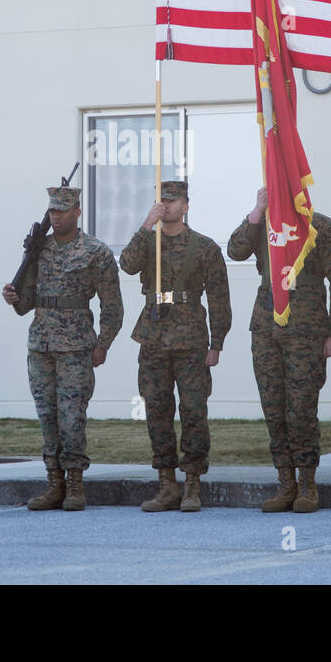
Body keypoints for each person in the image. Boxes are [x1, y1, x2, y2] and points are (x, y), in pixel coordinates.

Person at [227, 187, 331, 514]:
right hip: (266, 328)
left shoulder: (323, 228)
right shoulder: (264, 224)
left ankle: (307, 484)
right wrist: (257, 210)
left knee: (301, 409)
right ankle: (285, 482)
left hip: (306, 331)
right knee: (274, 406)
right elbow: (235, 250)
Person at [2, 186, 122, 511]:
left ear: (77, 213)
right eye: (52, 211)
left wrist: (103, 345)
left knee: (72, 418)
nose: (56, 216)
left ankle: (75, 485)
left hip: (76, 348)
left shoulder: (96, 252)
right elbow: (27, 303)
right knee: (47, 417)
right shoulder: (39, 249)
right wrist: (14, 298)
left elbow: (113, 307)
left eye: (62, 211)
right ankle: (53, 483)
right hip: (40, 345)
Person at [118, 180, 230, 512]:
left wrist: (217, 343)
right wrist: (145, 225)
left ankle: (192, 484)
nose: (166, 205)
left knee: (194, 410)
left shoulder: (205, 247)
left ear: (186, 205)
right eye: (162, 200)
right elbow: (126, 264)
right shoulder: (148, 241)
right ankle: (167, 484)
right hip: (153, 337)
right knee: (157, 411)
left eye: (173, 200)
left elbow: (219, 299)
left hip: (192, 339)